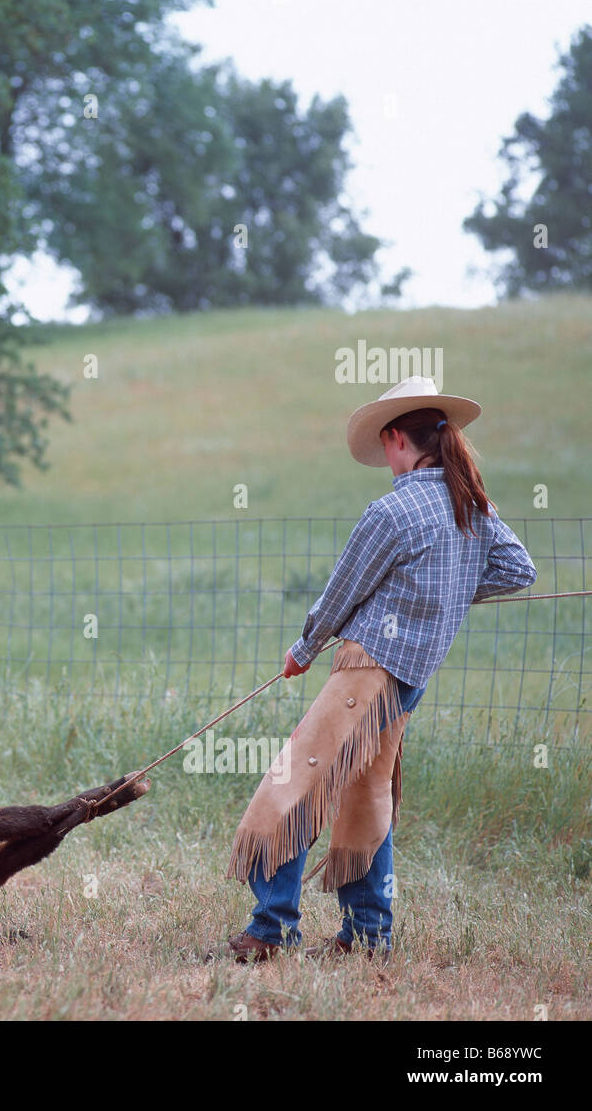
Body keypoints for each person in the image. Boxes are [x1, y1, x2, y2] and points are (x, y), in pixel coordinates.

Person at [216, 375, 536, 963]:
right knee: (367, 796)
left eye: (385, 447)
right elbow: (520, 570)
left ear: (395, 438)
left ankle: (270, 930)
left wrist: (303, 649)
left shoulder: (394, 510)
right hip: (410, 682)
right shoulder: (474, 505)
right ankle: (367, 936)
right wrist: (448, 593)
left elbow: (342, 594)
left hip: (366, 671)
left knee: (294, 787)